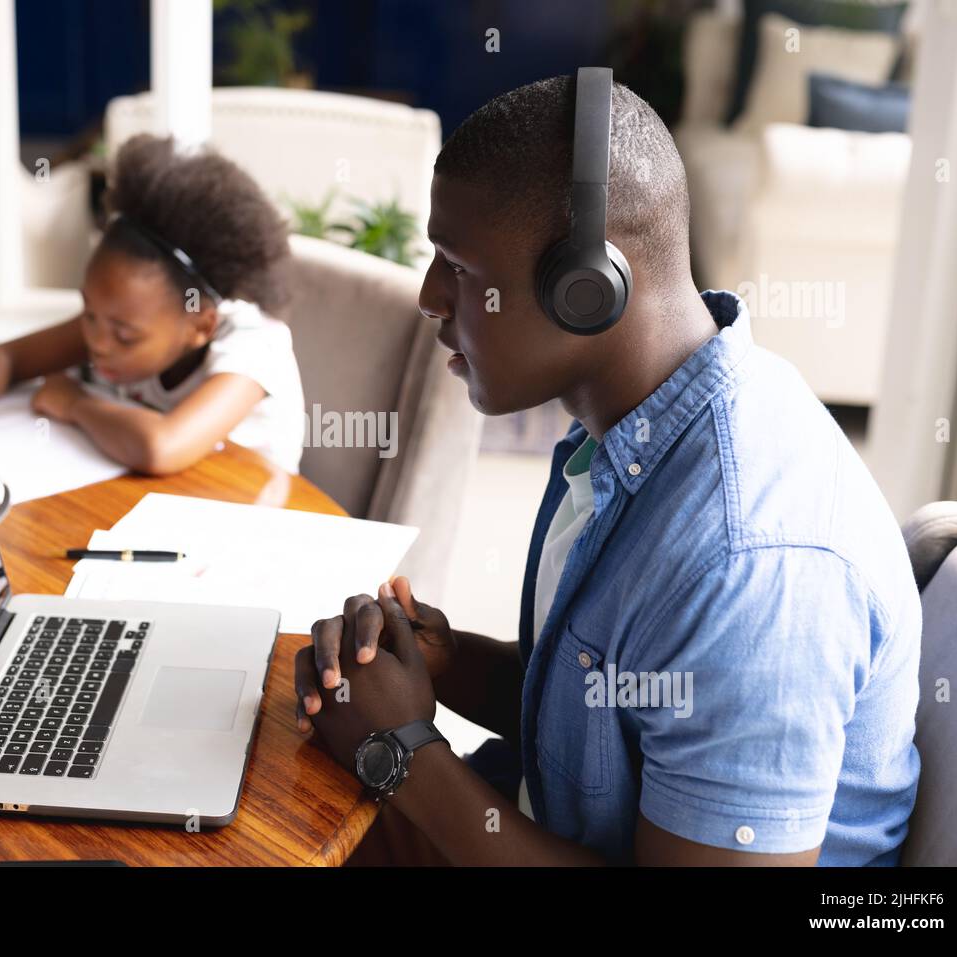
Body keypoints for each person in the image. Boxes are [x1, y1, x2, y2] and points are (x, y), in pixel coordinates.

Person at [295, 75, 922, 866]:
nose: (428, 297)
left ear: (586, 291)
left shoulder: (753, 560)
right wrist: (453, 664)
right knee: (257, 772)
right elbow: (628, 709)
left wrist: (401, 753)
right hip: (542, 817)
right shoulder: (636, 433)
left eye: (458, 266)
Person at [0, 133, 305, 475]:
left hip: (252, 514)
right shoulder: (116, 321)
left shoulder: (254, 348)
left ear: (201, 327)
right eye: (89, 314)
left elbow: (160, 448)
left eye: (125, 336)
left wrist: (76, 404)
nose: (98, 344)